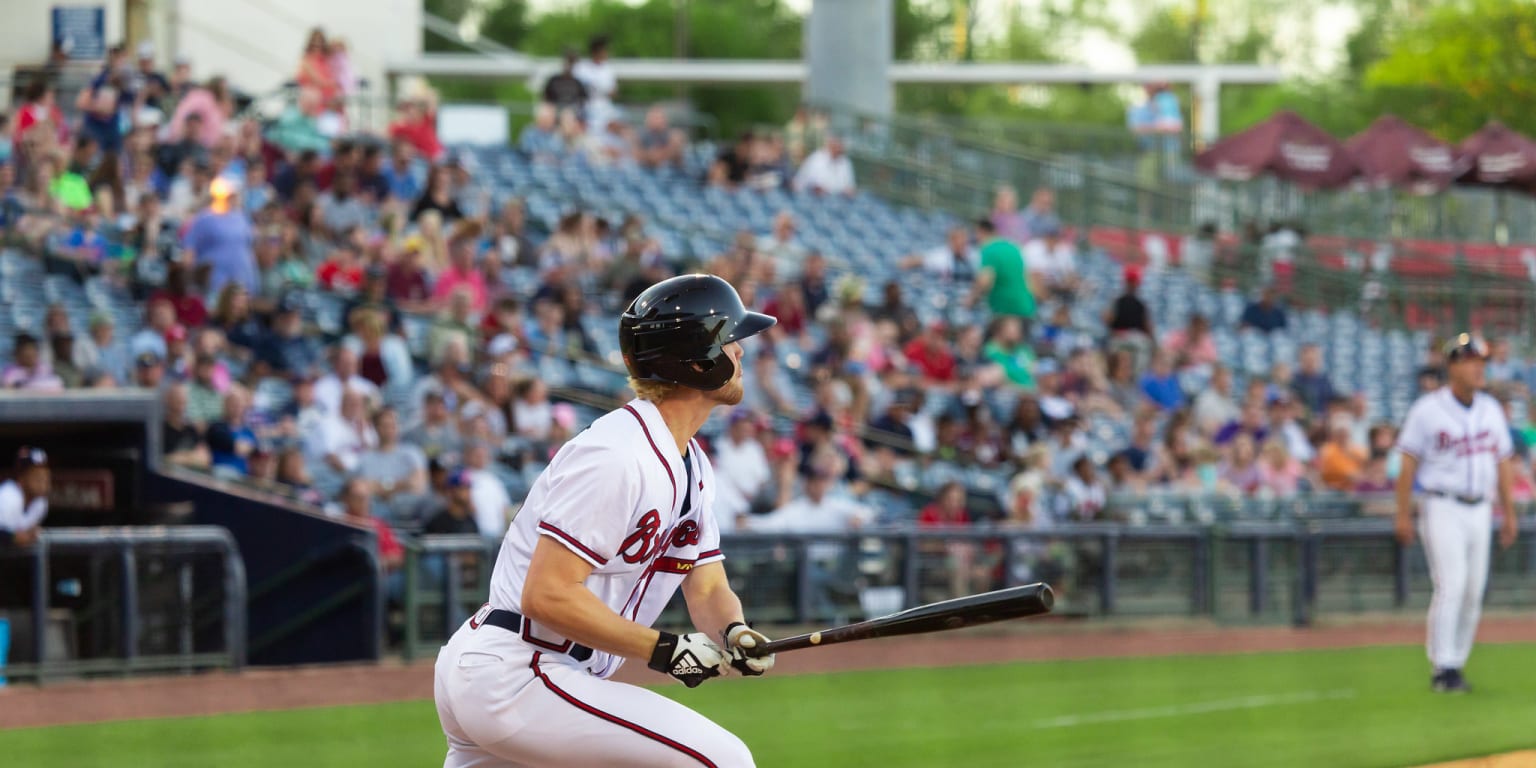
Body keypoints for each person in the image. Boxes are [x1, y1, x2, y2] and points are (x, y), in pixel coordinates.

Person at [434, 274, 776, 767]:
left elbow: (705, 589)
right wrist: (662, 648)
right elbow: (547, 594)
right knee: (723, 761)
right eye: (731, 341)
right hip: (521, 670)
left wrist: (734, 632)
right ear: (697, 361)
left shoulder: (691, 464)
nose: (741, 353)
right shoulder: (617, 456)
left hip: (523, 672)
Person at [1394, 334, 1518, 694]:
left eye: (1482, 361)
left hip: (1481, 508)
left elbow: (1504, 463)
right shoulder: (1427, 409)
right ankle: (1442, 666)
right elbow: (1407, 464)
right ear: (1452, 366)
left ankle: (1456, 665)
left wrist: (1508, 514)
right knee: (1452, 584)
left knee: (1473, 591)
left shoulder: (1491, 409)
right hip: (1441, 504)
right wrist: (1402, 515)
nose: (1480, 367)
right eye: (1471, 361)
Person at [969, 218, 1036, 320]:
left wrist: (971, 299)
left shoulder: (989, 249)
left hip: (1004, 308)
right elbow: (1029, 278)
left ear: (981, 231)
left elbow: (985, 281)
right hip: (1025, 305)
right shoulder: (1013, 247)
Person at [0, 447, 50, 548]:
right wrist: (13, 538)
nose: (43, 478)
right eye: (36, 474)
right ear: (22, 477)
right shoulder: (8, 496)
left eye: (45, 473)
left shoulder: (41, 503)